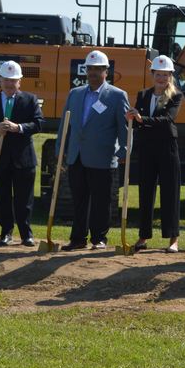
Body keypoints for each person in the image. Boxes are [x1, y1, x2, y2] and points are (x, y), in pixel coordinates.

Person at [60, 50, 131, 251]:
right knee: (79, 199)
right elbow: (66, 125)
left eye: (97, 69)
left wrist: (124, 150)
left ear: (106, 71)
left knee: (101, 200)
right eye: (89, 68)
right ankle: (78, 239)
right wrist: (61, 147)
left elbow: (124, 127)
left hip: (102, 156)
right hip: (77, 155)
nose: (92, 72)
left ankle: (99, 238)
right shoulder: (75, 93)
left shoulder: (117, 96)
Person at [0, 61, 44, 246]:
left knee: (24, 201)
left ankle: (26, 235)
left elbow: (38, 123)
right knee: (2, 198)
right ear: (0, 81)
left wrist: (18, 127)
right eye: (6, 80)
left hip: (24, 160)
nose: (9, 84)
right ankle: (5, 233)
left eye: (13, 81)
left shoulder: (30, 99)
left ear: (19, 82)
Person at [125, 55, 184, 253]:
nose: (161, 78)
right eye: (158, 74)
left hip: (167, 147)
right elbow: (137, 120)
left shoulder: (176, 95)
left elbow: (167, 119)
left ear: (170, 76)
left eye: (165, 75)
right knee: (145, 192)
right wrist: (131, 118)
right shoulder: (143, 94)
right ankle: (143, 236)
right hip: (146, 147)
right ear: (152, 75)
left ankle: (173, 238)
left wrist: (143, 120)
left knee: (170, 192)